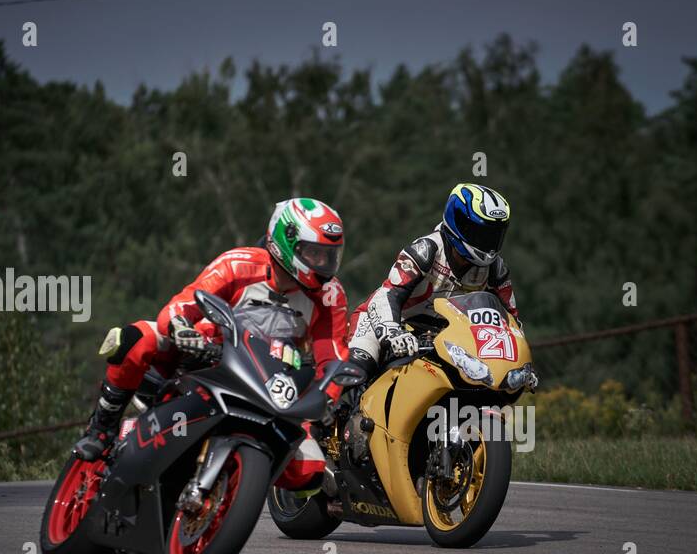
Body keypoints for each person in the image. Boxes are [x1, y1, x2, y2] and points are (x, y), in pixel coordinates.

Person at [73, 197, 348, 492]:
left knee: (310, 470)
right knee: (137, 338)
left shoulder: (330, 297)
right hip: (206, 355)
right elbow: (182, 304)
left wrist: (325, 400)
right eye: (315, 253)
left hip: (269, 384)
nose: (324, 264)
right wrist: (182, 330)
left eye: (330, 255)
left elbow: (332, 360)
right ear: (286, 241)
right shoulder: (239, 264)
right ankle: (103, 426)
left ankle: (232, 483)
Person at [348, 183, 534, 389]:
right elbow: (389, 293)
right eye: (479, 232)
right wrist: (391, 332)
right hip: (389, 323)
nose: (487, 243)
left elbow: (511, 321)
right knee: (357, 369)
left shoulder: (495, 268)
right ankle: (321, 415)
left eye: (493, 235)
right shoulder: (427, 249)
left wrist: (521, 363)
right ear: (457, 223)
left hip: (442, 340)